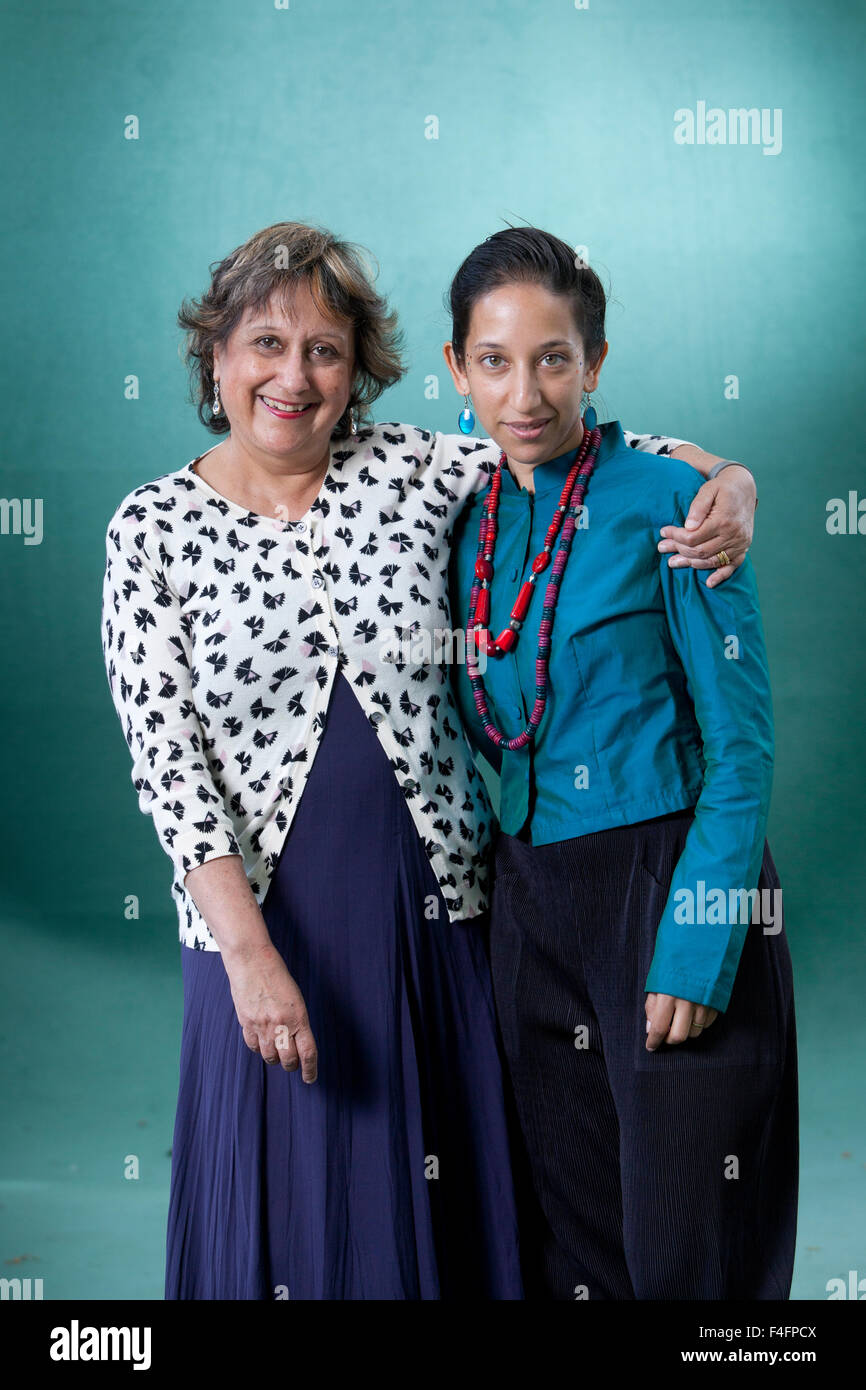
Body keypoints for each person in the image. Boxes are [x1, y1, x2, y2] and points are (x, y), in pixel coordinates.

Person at [100, 220, 759, 1300]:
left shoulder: (415, 469)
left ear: (361, 368)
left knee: (449, 1205)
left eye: (324, 348)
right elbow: (167, 770)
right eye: (264, 343)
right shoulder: (151, 530)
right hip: (259, 928)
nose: (292, 375)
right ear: (213, 356)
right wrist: (249, 960)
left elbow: (590, 451)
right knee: (290, 1204)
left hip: (434, 915)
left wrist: (730, 482)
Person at [445, 226, 797, 1301]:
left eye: (552, 358)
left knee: (689, 1245)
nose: (525, 392)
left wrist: (696, 941)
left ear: (592, 364)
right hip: (527, 898)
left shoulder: (669, 504)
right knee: (572, 1239)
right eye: (494, 360)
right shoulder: (456, 515)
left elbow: (740, 743)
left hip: (665, 883)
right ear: (456, 369)